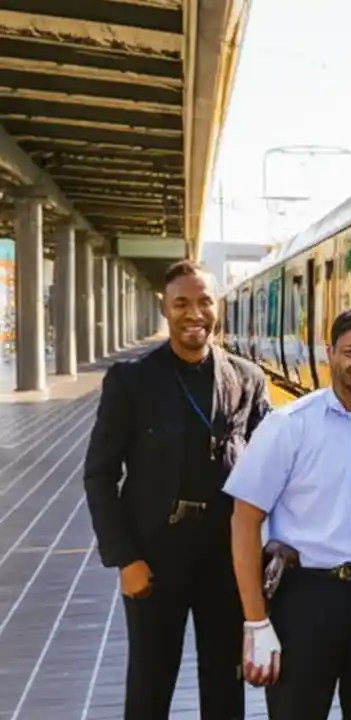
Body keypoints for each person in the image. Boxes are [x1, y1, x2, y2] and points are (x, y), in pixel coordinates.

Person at [83, 259, 272, 719]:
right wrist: (125, 558)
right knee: (150, 681)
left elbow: (272, 471)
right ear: (164, 309)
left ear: (217, 306)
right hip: (155, 553)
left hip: (226, 556)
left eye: (204, 301)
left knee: (225, 684)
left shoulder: (248, 379)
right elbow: (100, 474)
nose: (195, 313)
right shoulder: (131, 381)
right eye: (182, 303)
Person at [223, 306, 351, 720]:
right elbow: (244, 521)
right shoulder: (289, 427)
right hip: (304, 600)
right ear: (329, 352)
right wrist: (256, 622)